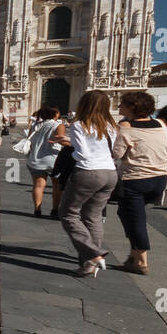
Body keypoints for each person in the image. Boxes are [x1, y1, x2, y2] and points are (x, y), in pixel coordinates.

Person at [51, 91, 118, 277]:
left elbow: (82, 154)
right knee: (93, 216)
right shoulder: (111, 126)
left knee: (68, 214)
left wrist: (69, 145)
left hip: (89, 172)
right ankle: (88, 263)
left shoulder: (80, 124)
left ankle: (94, 254)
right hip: (110, 173)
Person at [112, 92, 167, 276]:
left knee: (136, 219)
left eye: (122, 103)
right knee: (126, 213)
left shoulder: (125, 126)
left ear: (132, 107)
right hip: (160, 178)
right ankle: (134, 255)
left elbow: (116, 154)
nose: (119, 106)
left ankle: (141, 261)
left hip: (135, 179)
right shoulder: (161, 125)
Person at [25, 107, 62, 216]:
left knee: (38, 185)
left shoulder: (34, 126)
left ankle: (37, 210)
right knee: (57, 186)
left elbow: (30, 142)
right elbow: (61, 140)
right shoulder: (57, 125)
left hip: (36, 159)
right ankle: (55, 210)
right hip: (53, 160)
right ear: (54, 115)